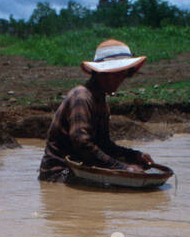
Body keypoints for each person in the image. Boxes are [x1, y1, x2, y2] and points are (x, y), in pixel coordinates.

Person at [38, 39, 155, 182]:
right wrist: (123, 168)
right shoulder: (81, 97)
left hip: (81, 169)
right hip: (59, 174)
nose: (120, 80)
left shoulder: (101, 101)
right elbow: (82, 144)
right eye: (117, 74)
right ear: (102, 73)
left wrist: (134, 155)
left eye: (123, 75)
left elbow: (104, 144)